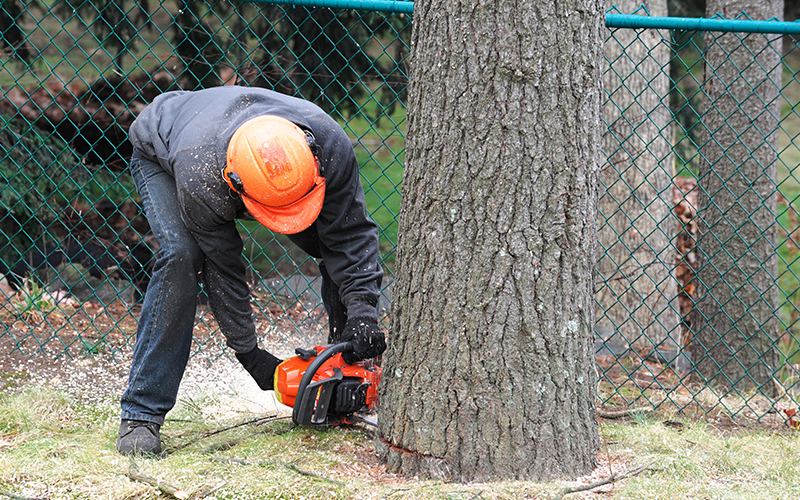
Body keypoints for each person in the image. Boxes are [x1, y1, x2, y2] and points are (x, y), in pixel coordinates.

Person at [116, 86, 386, 456]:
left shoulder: (329, 145)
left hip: (236, 142)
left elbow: (351, 237)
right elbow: (222, 267)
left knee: (334, 245)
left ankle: (349, 369)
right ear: (236, 186)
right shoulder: (202, 177)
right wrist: (249, 353)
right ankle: (141, 413)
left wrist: (363, 315)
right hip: (167, 147)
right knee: (182, 256)